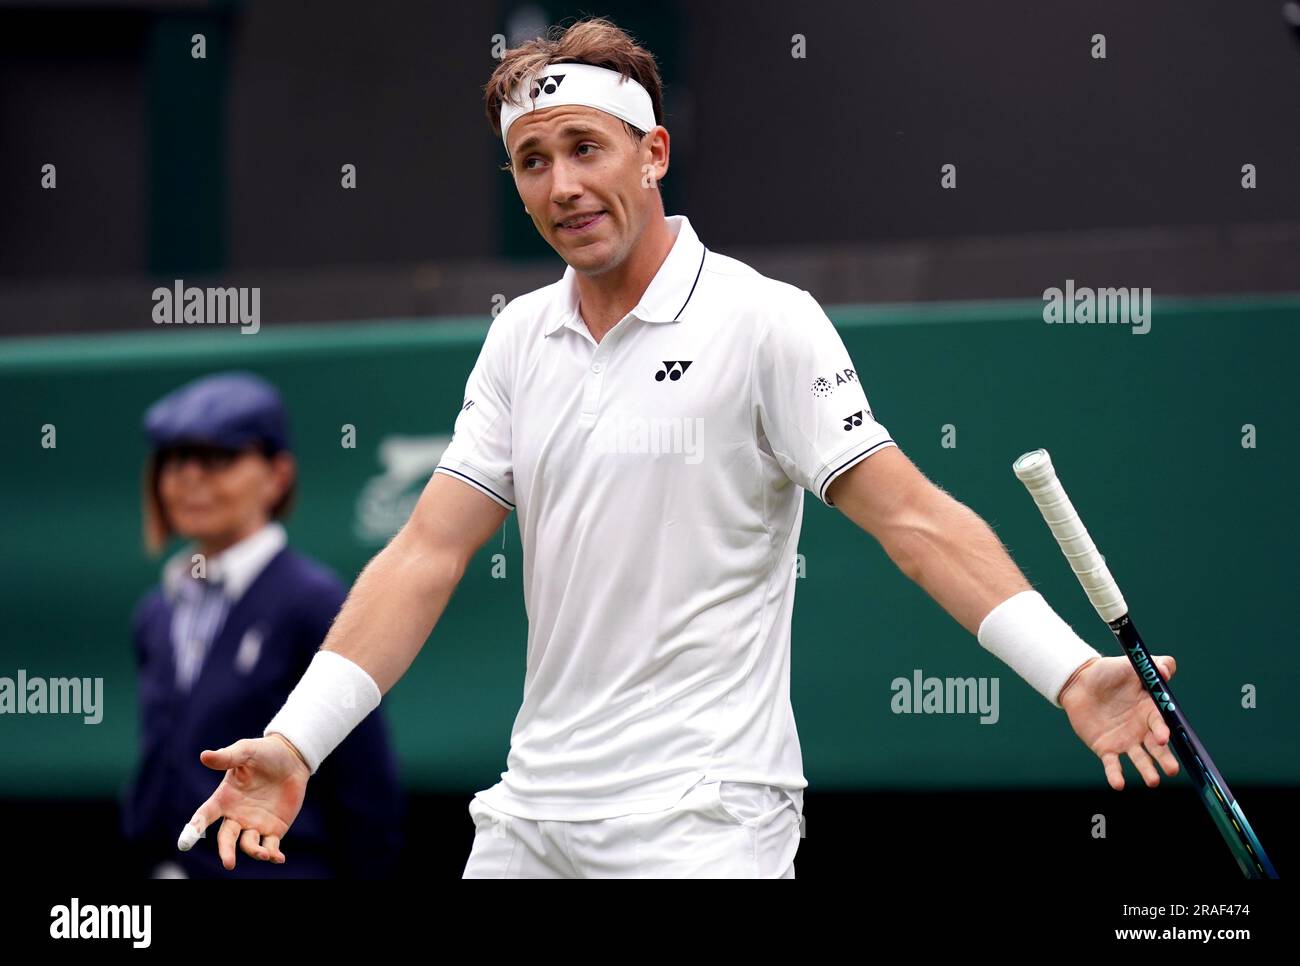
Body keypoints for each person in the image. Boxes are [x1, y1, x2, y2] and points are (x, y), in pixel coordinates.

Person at [176, 18, 1179, 879]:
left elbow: (913, 519)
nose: (562, 184)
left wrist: (1068, 671)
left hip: (706, 821)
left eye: (586, 148)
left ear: (652, 152)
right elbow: (425, 555)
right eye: (533, 160)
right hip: (533, 812)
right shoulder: (519, 336)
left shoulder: (765, 321)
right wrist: (298, 737)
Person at [121, 370, 402, 877]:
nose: (190, 478)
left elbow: (365, 782)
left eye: (219, 458)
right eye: (175, 460)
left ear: (277, 475)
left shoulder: (312, 600)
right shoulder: (156, 613)